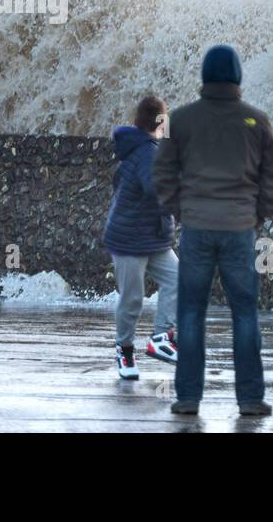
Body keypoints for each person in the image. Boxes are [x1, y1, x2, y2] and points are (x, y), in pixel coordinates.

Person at [154, 45, 273, 417]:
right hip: (239, 230)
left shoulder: (180, 120)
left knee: (191, 314)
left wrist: (181, 210)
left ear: (204, 77)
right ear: (237, 76)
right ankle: (250, 400)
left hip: (196, 229)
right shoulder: (256, 121)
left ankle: (188, 399)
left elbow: (162, 174)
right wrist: (255, 215)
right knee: (245, 314)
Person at [103, 95, 179, 380]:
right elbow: (156, 188)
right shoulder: (147, 152)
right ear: (160, 122)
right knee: (133, 299)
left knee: (177, 278)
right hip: (129, 240)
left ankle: (161, 337)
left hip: (153, 237)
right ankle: (124, 350)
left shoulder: (147, 150)